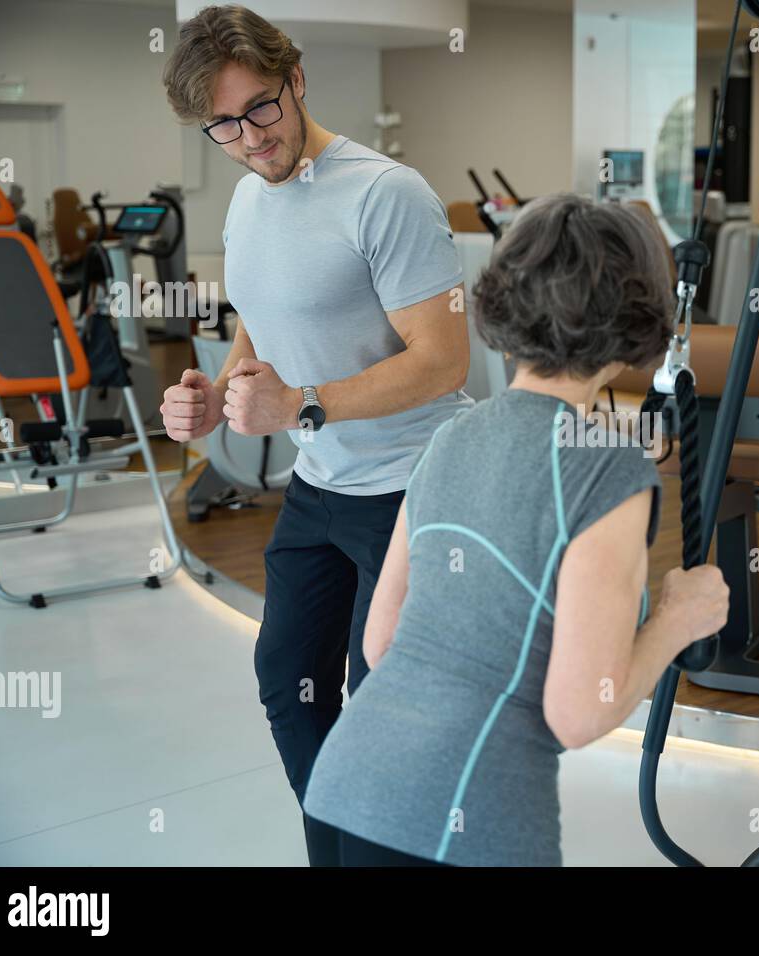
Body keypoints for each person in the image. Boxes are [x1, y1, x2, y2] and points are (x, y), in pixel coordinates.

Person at [302, 193, 730, 867]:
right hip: (463, 824)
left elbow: (381, 644)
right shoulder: (611, 475)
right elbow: (581, 713)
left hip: (350, 788)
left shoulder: (451, 435)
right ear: (641, 316)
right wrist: (678, 618)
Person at [156, 4, 472, 866]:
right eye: (222, 125)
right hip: (322, 489)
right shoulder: (249, 201)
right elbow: (259, 327)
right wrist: (215, 395)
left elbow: (444, 362)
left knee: (381, 724)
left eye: (260, 107)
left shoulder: (385, 193)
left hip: (413, 492)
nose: (249, 138)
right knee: (290, 690)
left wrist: (298, 407)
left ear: (296, 79)